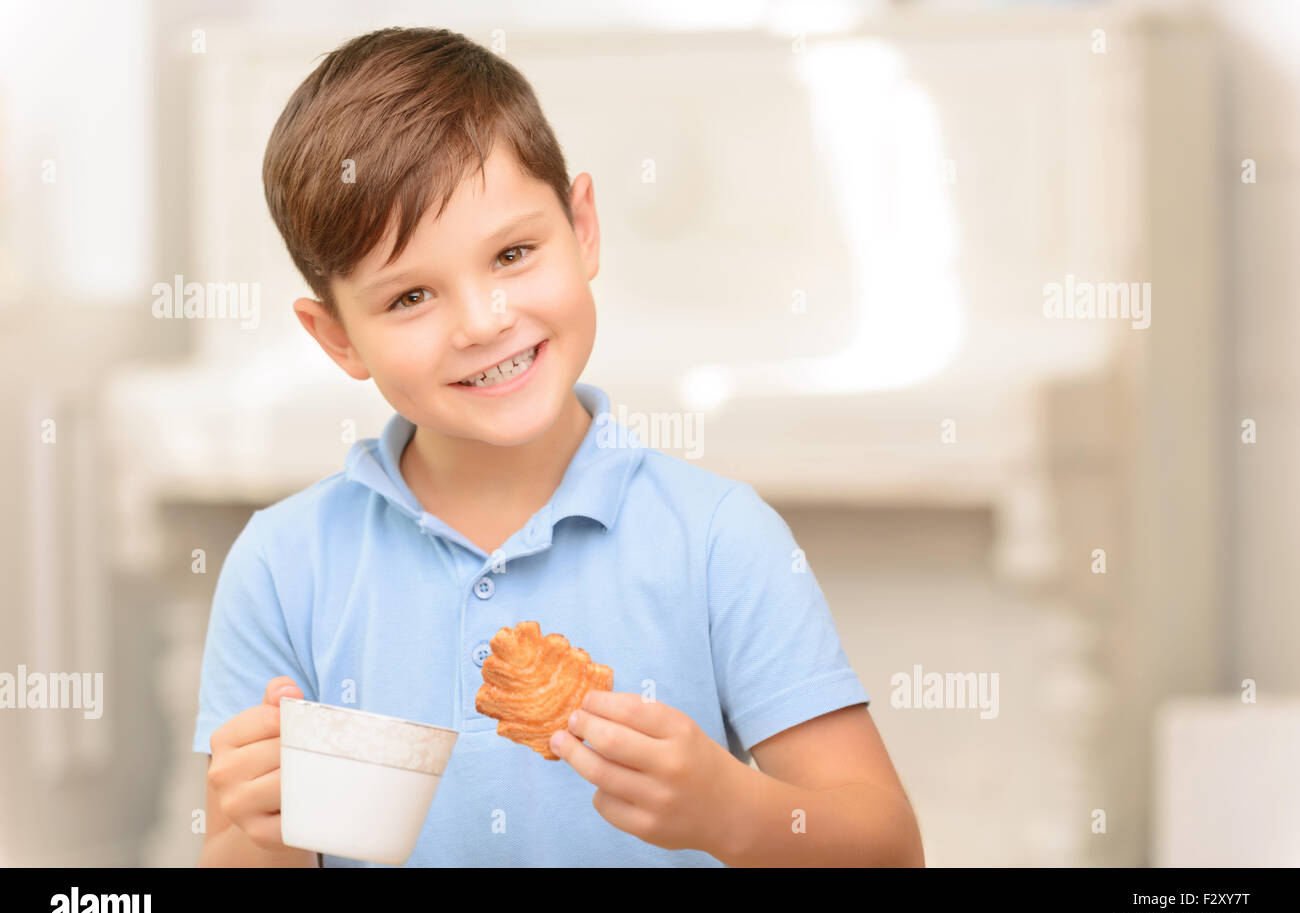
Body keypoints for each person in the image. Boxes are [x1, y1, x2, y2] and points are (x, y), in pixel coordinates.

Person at [194, 26, 923, 867]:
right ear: (336, 338)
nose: (483, 321)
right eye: (410, 297)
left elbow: (891, 847)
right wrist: (258, 830)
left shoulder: (720, 538)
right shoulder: (285, 567)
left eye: (513, 253)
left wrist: (733, 811)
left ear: (583, 228)